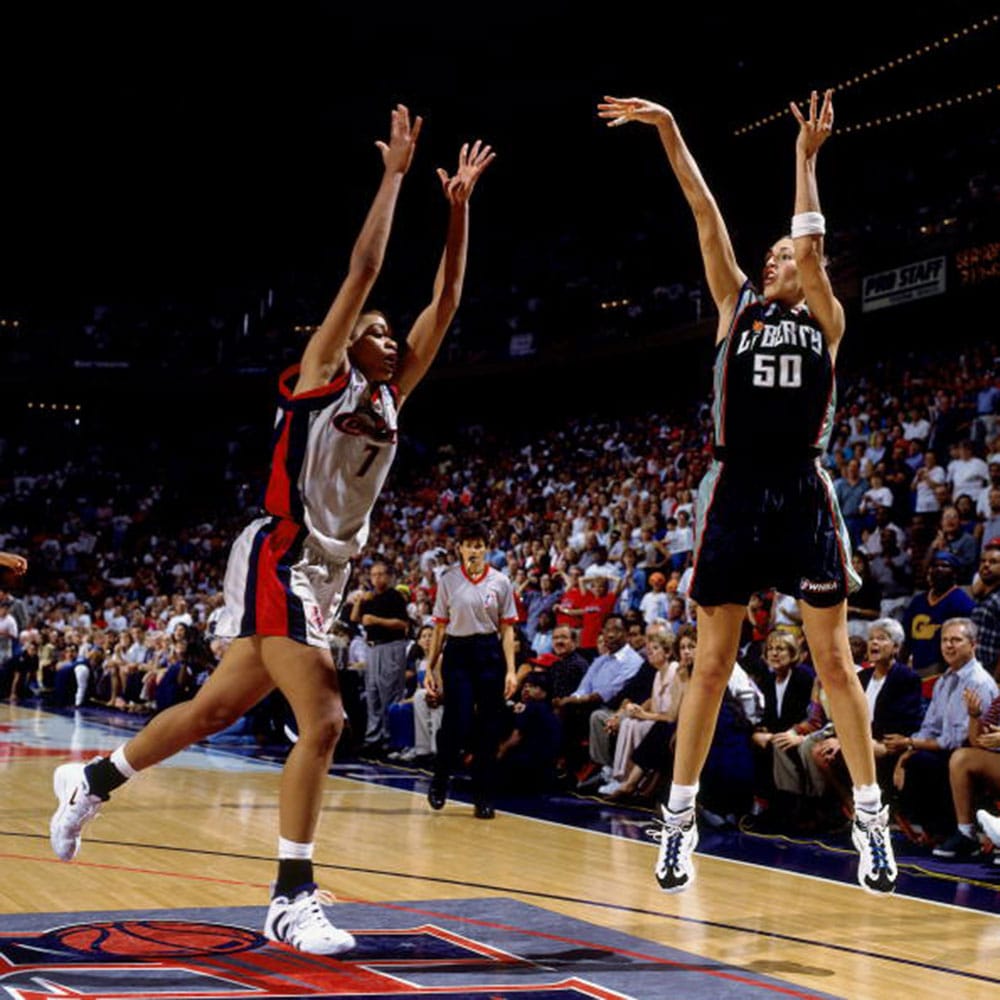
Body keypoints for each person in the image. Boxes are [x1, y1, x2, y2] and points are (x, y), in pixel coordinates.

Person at [48, 105, 495, 954]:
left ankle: (92, 781)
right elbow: (365, 269)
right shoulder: (321, 373)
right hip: (283, 548)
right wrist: (395, 177)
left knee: (214, 709)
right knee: (324, 719)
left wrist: (459, 210)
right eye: (376, 333)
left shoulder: (392, 395)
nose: (389, 341)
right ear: (345, 343)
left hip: (327, 565)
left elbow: (447, 299)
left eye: (391, 336)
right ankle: (291, 896)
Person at [599, 89, 898, 894]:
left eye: (785, 256)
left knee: (835, 662)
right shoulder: (736, 306)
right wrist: (670, 127)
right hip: (734, 487)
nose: (776, 262)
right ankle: (678, 821)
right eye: (771, 256)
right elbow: (703, 210)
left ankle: (871, 821)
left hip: (802, 489)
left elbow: (814, 245)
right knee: (709, 666)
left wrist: (804, 160)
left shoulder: (827, 317)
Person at [425, 522, 518, 819]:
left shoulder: (501, 581)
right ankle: (441, 778)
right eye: (469, 545)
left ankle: (483, 796)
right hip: (458, 652)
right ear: (460, 549)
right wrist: (430, 667)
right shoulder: (448, 581)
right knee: (457, 720)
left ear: (486, 548)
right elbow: (440, 628)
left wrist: (511, 670)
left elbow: (507, 629)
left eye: (479, 545)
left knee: (488, 727)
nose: (474, 550)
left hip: (489, 651)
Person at [350, 560, 411, 753]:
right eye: (373, 575)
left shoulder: (395, 596)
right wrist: (359, 601)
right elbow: (354, 618)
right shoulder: (370, 597)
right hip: (373, 648)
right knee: (373, 693)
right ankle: (373, 737)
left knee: (389, 692)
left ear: (389, 576)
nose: (376, 578)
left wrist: (376, 620)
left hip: (391, 646)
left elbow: (403, 624)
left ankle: (389, 738)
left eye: (380, 574)